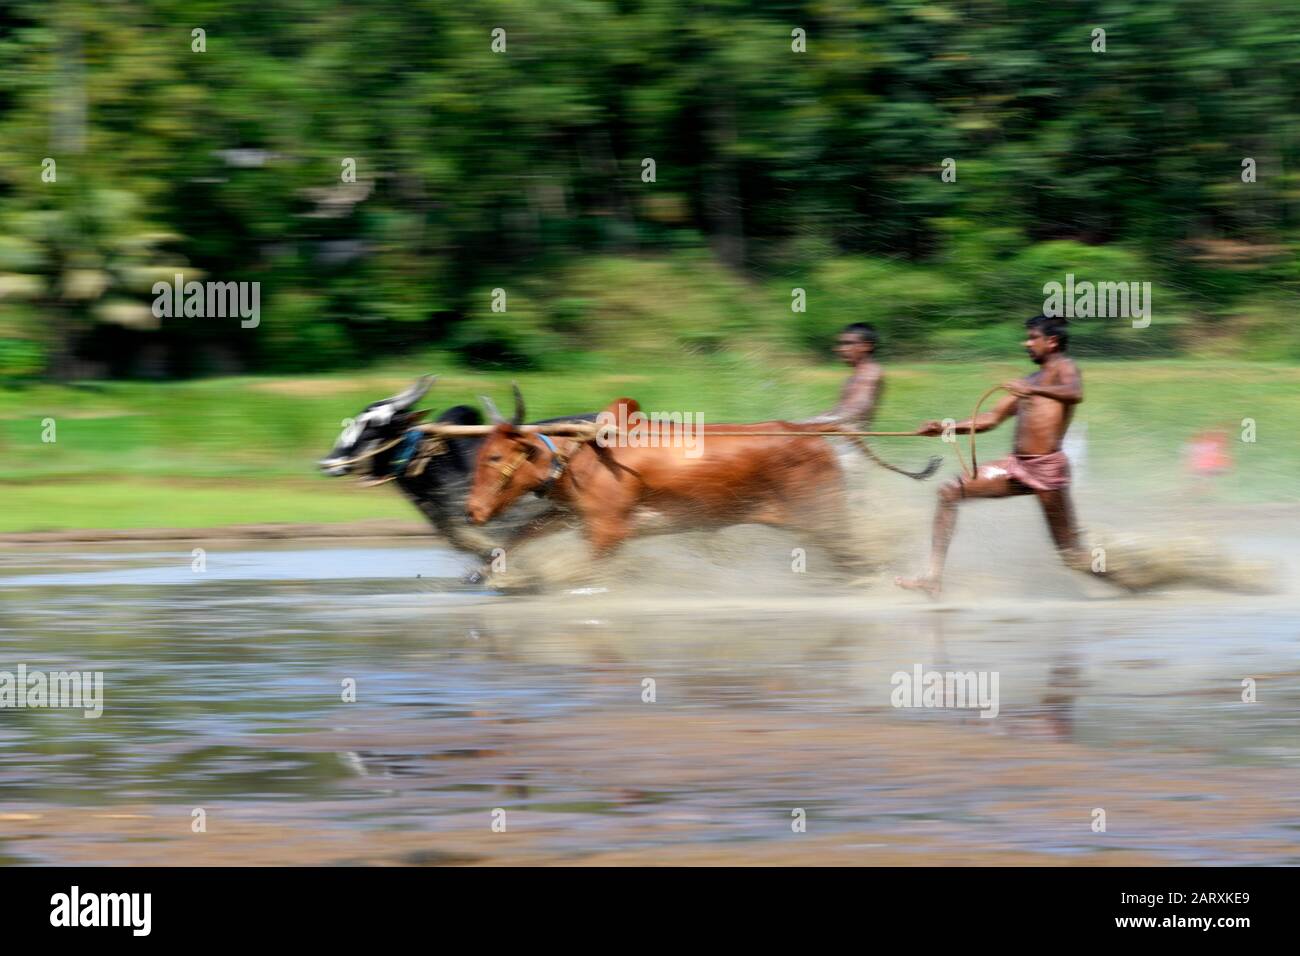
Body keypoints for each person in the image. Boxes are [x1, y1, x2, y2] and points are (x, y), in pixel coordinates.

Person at [896, 315, 1093, 597]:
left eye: (1032, 337)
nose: (1026, 343)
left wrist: (1032, 390)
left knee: (1072, 556)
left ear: (1052, 341)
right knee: (949, 492)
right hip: (1016, 466)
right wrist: (944, 428)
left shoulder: (1065, 368)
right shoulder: (1030, 379)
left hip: (1047, 469)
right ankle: (932, 577)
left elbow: (1075, 393)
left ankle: (1136, 582)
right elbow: (990, 418)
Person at [798, 323, 884, 427]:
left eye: (848, 343)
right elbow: (841, 411)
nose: (840, 349)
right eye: (841, 344)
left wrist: (813, 423)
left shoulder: (869, 374)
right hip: (838, 437)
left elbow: (857, 409)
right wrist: (808, 421)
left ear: (866, 346)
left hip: (848, 441)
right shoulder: (858, 374)